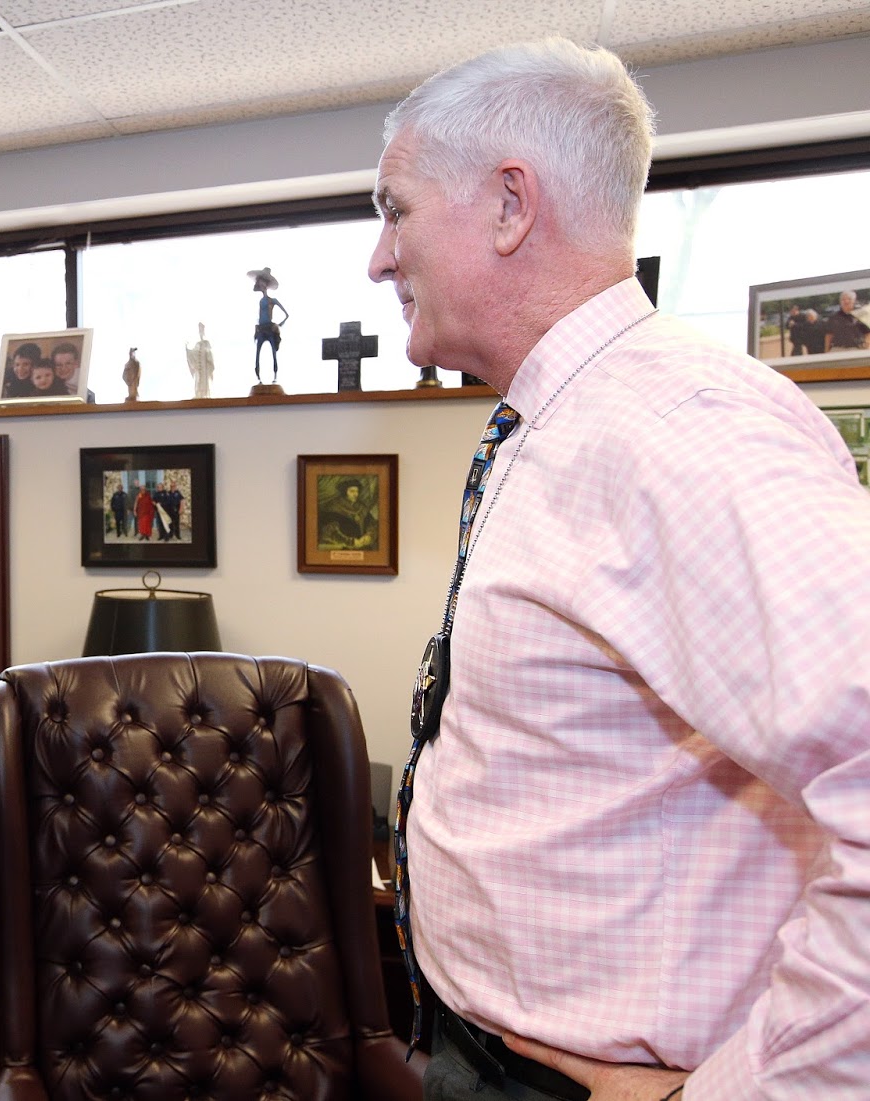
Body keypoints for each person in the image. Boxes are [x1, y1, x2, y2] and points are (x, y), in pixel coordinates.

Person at [370, 39, 870, 1101]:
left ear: (510, 206)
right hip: (476, 1050)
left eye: (394, 209)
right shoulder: (563, 421)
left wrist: (732, 1094)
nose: (378, 256)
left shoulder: (680, 430)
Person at [248, 267, 288, 384]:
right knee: (257, 353)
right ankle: (258, 377)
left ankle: (275, 375)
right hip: (261, 328)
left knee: (273, 353)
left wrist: (280, 323)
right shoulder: (261, 301)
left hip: (270, 328)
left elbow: (287, 314)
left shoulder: (273, 300)